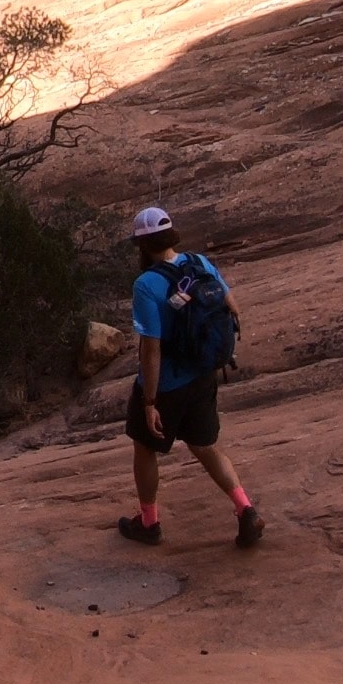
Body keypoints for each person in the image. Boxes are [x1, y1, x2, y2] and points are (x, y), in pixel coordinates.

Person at [116, 206, 263, 547]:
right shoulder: (199, 263)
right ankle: (245, 510)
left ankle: (149, 524)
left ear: (142, 245)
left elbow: (151, 349)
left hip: (167, 383)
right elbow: (232, 307)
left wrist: (149, 402)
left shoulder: (146, 285)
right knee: (205, 446)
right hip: (203, 374)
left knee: (145, 447)